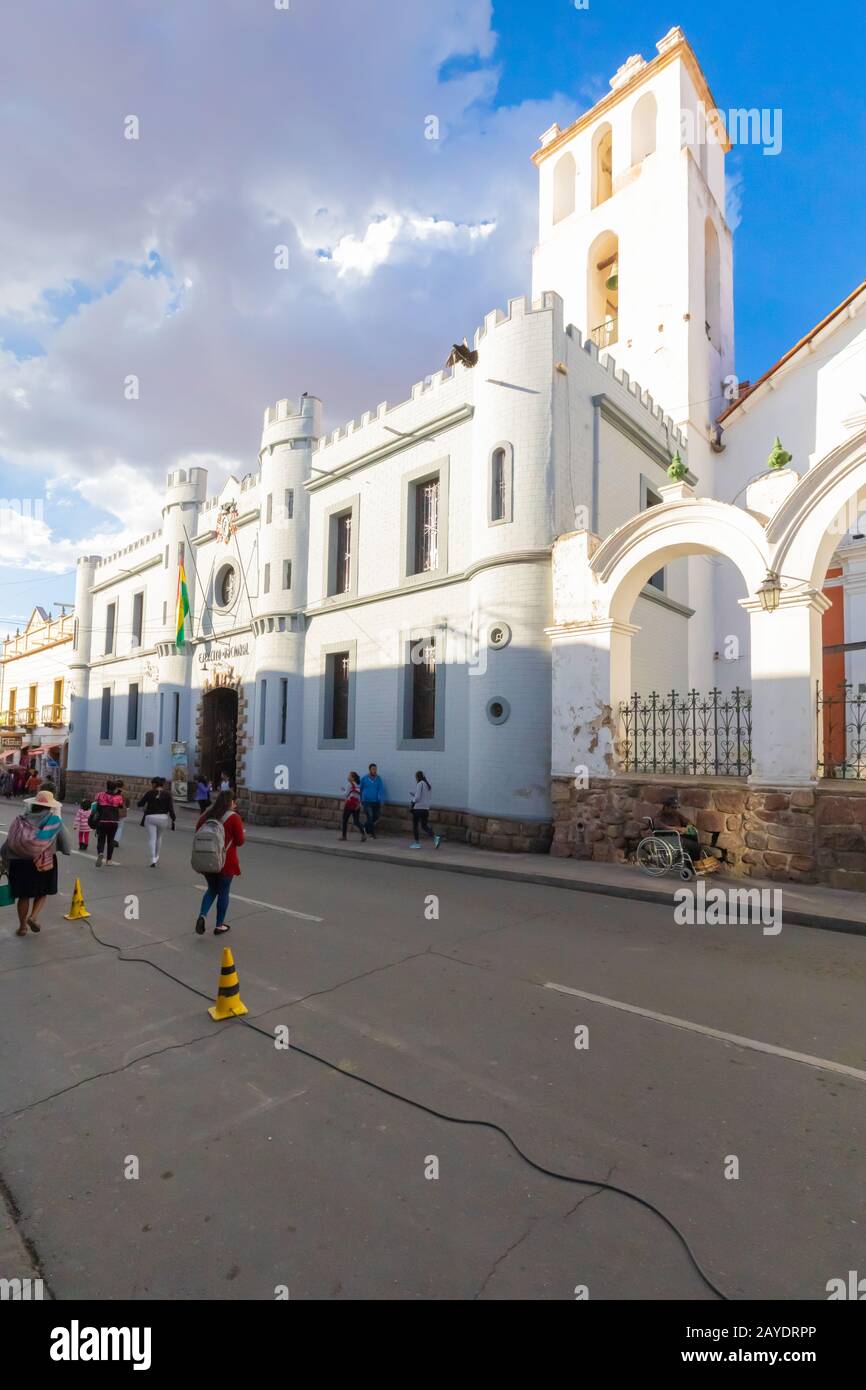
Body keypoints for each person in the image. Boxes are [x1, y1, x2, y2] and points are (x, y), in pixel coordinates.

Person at [0, 787, 70, 935]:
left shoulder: (20, 819)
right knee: (42, 892)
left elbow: (9, 842)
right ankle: (33, 917)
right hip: (43, 863)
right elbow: (67, 843)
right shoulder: (54, 820)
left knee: (23, 895)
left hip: (19, 863)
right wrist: (64, 850)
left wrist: (4, 858)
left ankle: (22, 927)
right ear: (51, 806)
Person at [193, 790, 245, 935]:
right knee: (223, 892)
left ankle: (202, 915)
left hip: (207, 861)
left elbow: (197, 833)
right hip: (226, 862)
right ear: (231, 802)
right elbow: (240, 841)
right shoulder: (234, 818)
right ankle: (219, 925)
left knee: (211, 889)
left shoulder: (205, 816)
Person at [137, 777, 176, 866]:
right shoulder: (167, 794)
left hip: (150, 817)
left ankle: (153, 859)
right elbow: (170, 808)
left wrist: (142, 804)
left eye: (152, 783)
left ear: (154, 784)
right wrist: (173, 818)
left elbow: (140, 803)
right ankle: (157, 856)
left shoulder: (150, 793)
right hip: (163, 818)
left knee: (152, 838)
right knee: (159, 838)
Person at [93, 779, 124, 866]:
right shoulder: (118, 797)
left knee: (101, 839)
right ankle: (109, 860)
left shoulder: (100, 795)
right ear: (115, 788)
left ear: (107, 786)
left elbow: (96, 804)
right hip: (114, 821)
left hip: (103, 820)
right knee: (111, 841)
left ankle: (100, 853)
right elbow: (121, 806)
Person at [409, 771, 440, 849]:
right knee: (424, 826)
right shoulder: (428, 785)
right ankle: (435, 837)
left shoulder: (420, 784)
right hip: (426, 809)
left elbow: (418, 798)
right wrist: (415, 795)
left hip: (418, 809)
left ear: (417, 777)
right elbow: (425, 797)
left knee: (415, 825)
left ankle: (417, 843)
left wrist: (413, 800)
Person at [359, 762, 385, 839]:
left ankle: (364, 827)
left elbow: (381, 789)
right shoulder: (364, 779)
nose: (375, 770)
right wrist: (360, 800)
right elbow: (360, 789)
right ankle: (372, 834)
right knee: (370, 817)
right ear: (369, 770)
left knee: (376, 817)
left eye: (376, 769)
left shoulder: (378, 778)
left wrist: (381, 800)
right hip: (366, 801)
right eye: (373, 769)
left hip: (376, 802)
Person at [340, 772, 367, 842]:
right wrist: (359, 805)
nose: (348, 777)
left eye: (349, 776)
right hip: (356, 805)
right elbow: (359, 796)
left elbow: (346, 794)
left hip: (349, 805)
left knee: (345, 820)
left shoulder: (350, 785)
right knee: (356, 821)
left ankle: (344, 836)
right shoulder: (358, 785)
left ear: (353, 778)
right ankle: (363, 832)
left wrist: (342, 791)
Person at [111, 779, 128, 859]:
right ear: (122, 785)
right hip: (122, 811)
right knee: (120, 827)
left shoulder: (113, 791)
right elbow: (128, 802)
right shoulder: (125, 793)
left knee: (113, 825)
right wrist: (127, 807)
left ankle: (111, 839)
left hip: (113, 810)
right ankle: (116, 840)